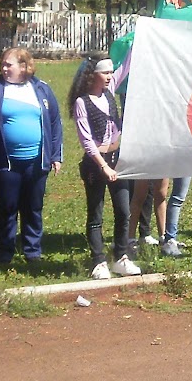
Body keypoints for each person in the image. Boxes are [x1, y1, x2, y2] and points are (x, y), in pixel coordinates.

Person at [0, 47, 63, 273]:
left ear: (24, 66)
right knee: (6, 207)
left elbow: (54, 123)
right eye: (2, 64)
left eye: (9, 64)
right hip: (4, 163)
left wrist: (55, 155)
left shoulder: (41, 89)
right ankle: (3, 253)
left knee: (33, 207)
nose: (4, 68)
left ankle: (32, 251)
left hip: (36, 161)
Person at [69, 57, 139, 278]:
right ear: (93, 75)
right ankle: (98, 261)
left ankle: (121, 256)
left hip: (116, 157)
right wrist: (103, 166)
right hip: (96, 163)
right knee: (96, 213)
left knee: (123, 210)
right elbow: (86, 140)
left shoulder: (109, 92)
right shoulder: (82, 102)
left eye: (111, 72)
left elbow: (126, 66)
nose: (109, 76)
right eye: (104, 73)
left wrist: (138, 36)